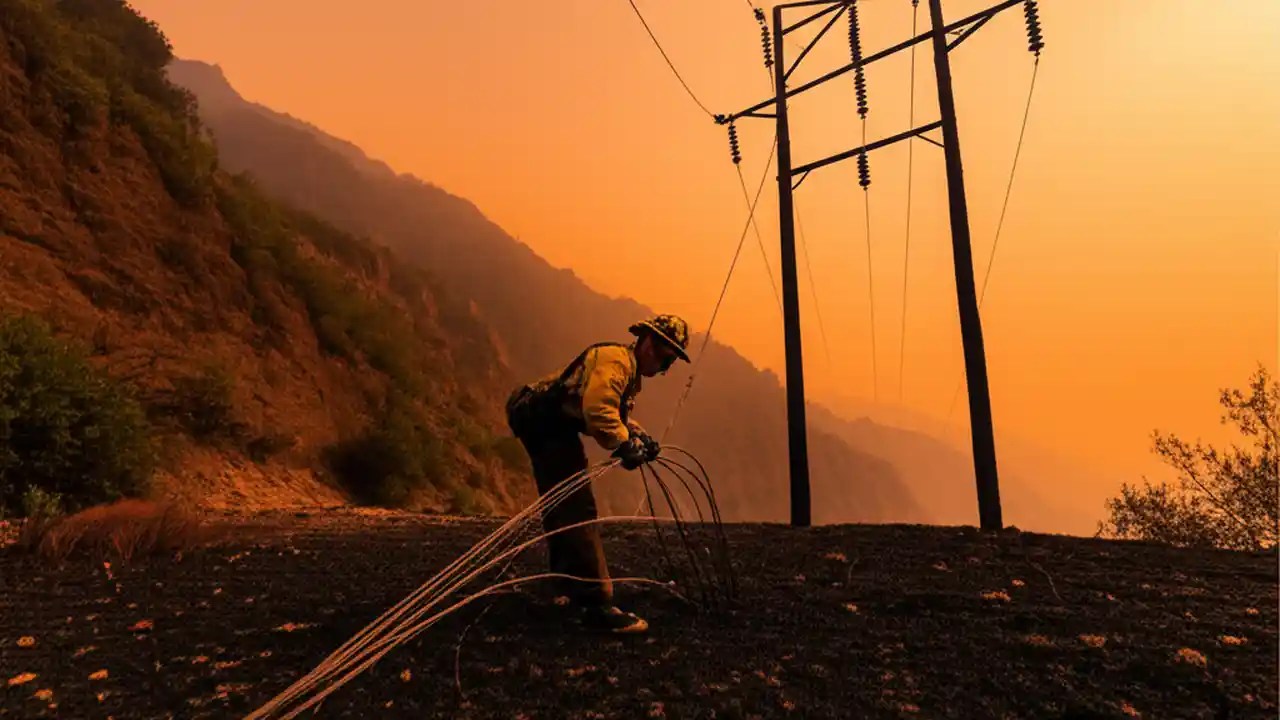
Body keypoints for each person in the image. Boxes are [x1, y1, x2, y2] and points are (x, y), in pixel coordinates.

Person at [505, 314, 691, 633]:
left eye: (669, 360)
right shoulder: (616, 361)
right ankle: (595, 603)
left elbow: (617, 414)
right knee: (576, 505)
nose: (662, 363)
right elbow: (598, 410)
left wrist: (638, 436)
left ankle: (566, 585)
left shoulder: (627, 372)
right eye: (661, 352)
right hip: (542, 419)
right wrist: (623, 445)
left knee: (560, 503)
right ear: (644, 339)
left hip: (544, 420)